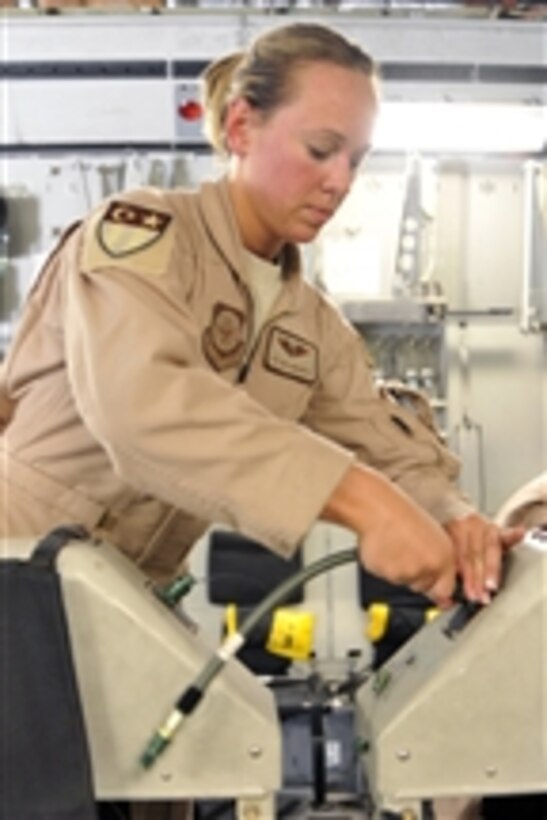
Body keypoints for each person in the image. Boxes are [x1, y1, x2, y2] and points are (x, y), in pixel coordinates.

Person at [0, 21, 522, 820]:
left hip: (120, 600)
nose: (340, 179)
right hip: (18, 583)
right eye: (320, 149)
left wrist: (456, 521)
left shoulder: (308, 324)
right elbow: (145, 410)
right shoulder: (141, 239)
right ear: (241, 127)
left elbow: (387, 444)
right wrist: (365, 503)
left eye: (356, 158)